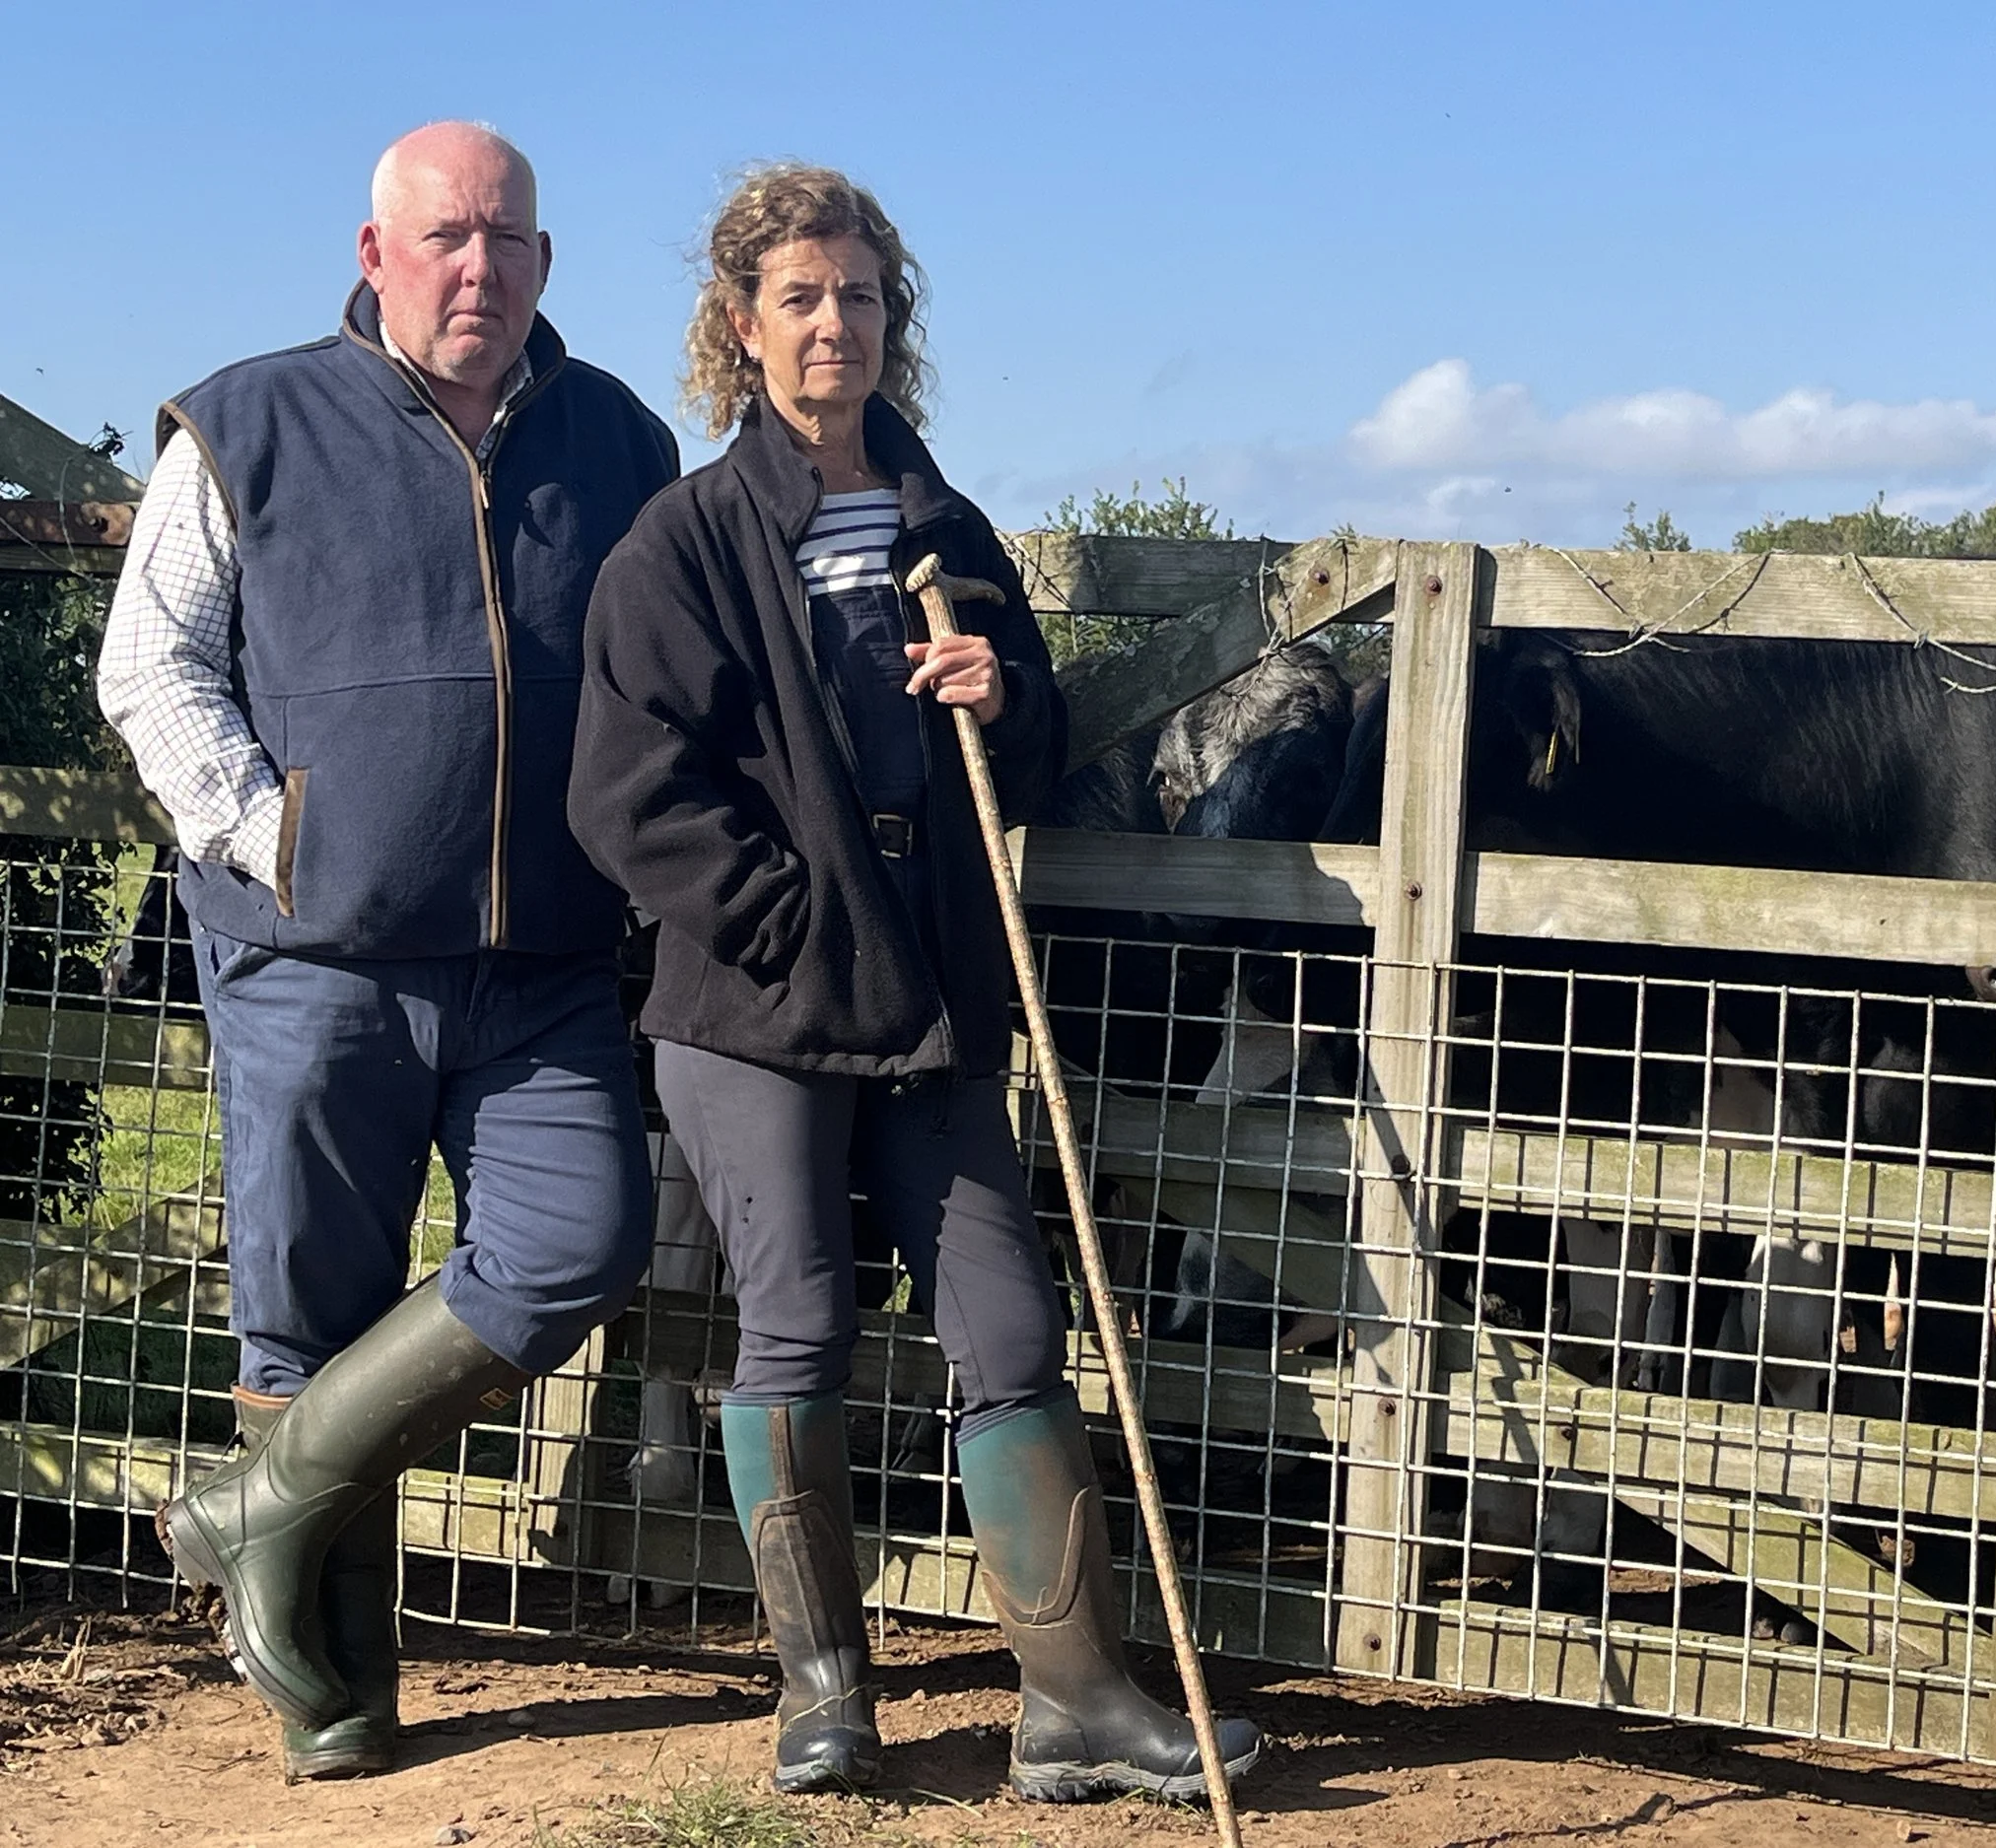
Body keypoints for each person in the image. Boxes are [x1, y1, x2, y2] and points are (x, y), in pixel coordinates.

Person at [568, 164, 1265, 1804]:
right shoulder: (677, 548)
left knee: (1010, 1327)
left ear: (896, 321)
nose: (836, 326)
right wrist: (785, 920)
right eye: (801, 299)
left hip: (937, 994)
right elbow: (629, 793)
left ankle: (1076, 1695)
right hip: (757, 1007)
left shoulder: (946, 530)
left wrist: (1002, 682)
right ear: (741, 329)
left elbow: (1034, 747)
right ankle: (825, 1696)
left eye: (862, 297)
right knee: (794, 1324)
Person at [98, 122, 678, 1780]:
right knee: (308, 1315)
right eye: (443, 236)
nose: (476, 266)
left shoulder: (620, 439)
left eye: (507, 238)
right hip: (316, 964)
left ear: (546, 263)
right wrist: (269, 834)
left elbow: (681, 662)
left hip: (545, 965)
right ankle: (338, 1690)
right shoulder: (248, 421)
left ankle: (247, 1518)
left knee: (583, 1238)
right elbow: (154, 667)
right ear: (375, 254)